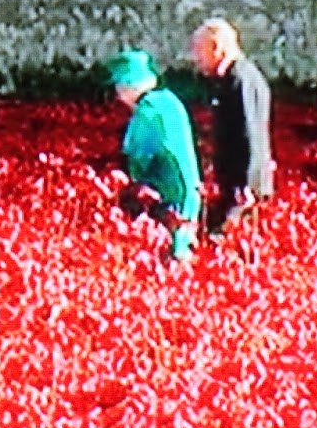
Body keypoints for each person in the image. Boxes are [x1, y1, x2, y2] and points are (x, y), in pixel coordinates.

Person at [106, 48, 201, 263]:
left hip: (167, 195)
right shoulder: (169, 101)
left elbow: (137, 157)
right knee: (185, 246)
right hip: (188, 191)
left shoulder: (147, 111)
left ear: (126, 86)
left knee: (170, 256)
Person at [190, 18, 273, 234]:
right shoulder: (241, 77)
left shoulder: (240, 80)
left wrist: (244, 186)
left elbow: (249, 133)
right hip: (241, 185)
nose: (196, 58)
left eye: (199, 51)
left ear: (217, 48)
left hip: (243, 189)